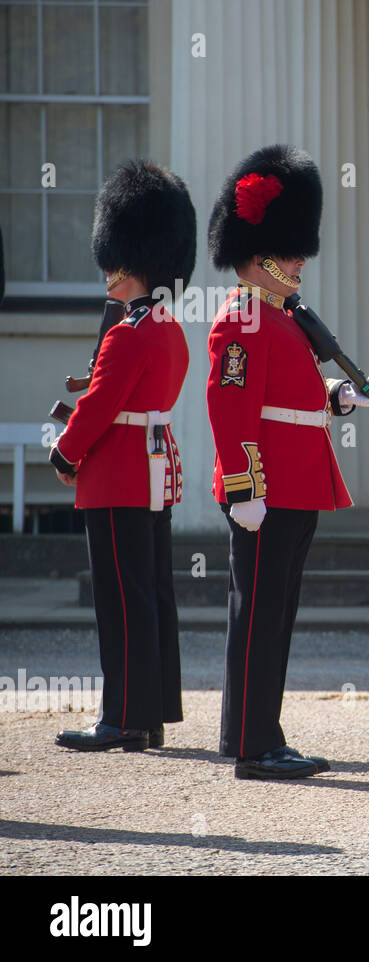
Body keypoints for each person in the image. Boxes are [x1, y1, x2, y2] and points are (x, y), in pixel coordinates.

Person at [206, 144, 369, 780]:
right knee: (258, 614)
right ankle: (256, 747)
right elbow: (231, 414)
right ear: (258, 258)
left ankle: (252, 734)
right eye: (288, 253)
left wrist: (338, 396)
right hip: (268, 489)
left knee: (273, 612)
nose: (299, 261)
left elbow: (289, 400)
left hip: (296, 481)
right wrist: (243, 487)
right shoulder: (242, 323)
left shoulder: (280, 318)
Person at [50, 161, 195, 752]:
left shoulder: (128, 332)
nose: (106, 272)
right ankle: (151, 713)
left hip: (116, 475)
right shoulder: (167, 328)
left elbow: (101, 408)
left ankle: (122, 719)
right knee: (151, 591)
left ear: (126, 263)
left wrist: (64, 452)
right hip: (155, 468)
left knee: (120, 598)